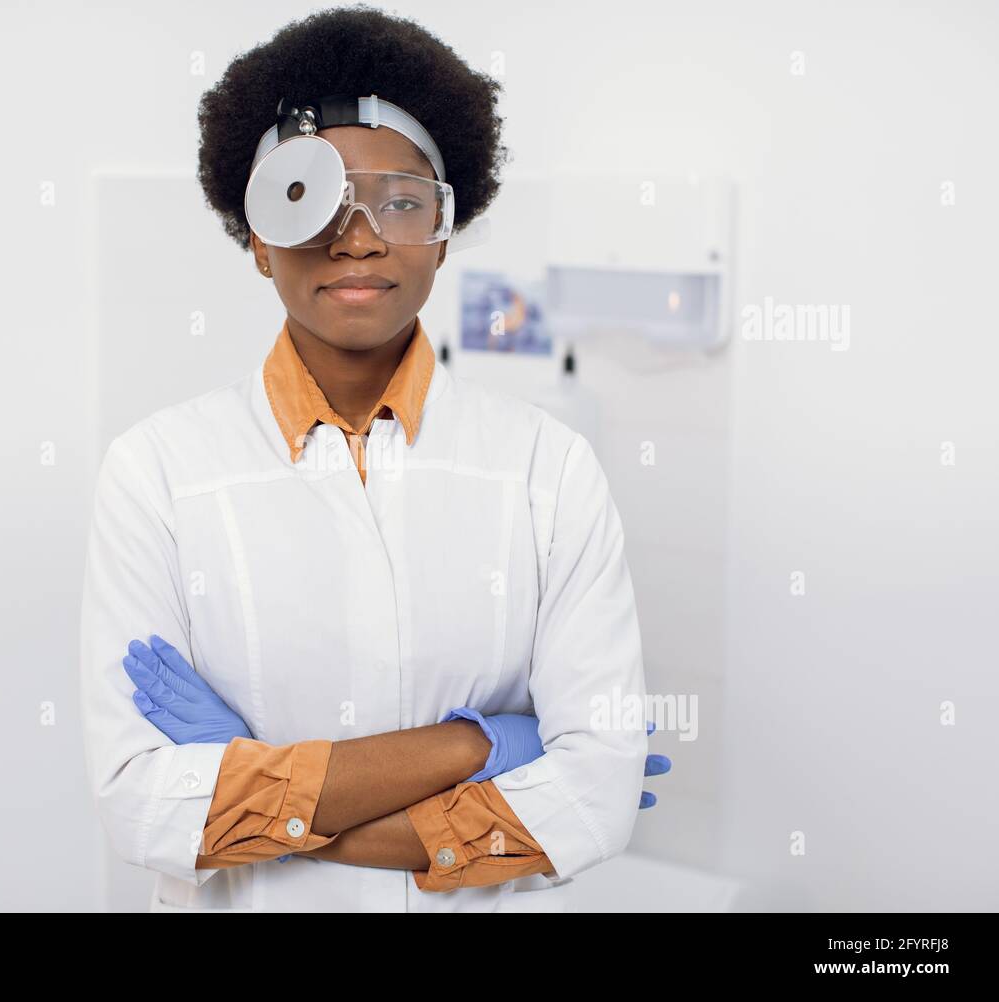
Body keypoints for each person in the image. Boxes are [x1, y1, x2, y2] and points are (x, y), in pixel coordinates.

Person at [79, 5, 656, 913]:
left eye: (400, 200)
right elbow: (142, 806)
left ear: (444, 228)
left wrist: (256, 794)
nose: (358, 237)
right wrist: (474, 748)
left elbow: (596, 796)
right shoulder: (155, 473)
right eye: (305, 199)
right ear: (256, 239)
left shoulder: (550, 468)